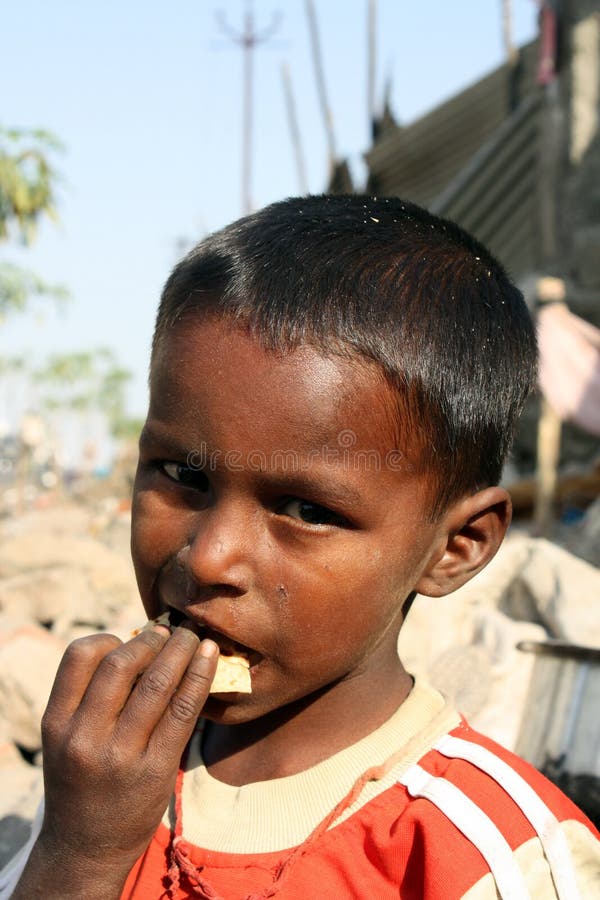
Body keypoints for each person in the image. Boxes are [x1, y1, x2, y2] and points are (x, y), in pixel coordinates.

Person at [2, 195, 599, 899]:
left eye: (306, 511)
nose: (208, 558)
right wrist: (79, 855)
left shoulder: (496, 860)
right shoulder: (106, 777)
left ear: (456, 547)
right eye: (183, 475)